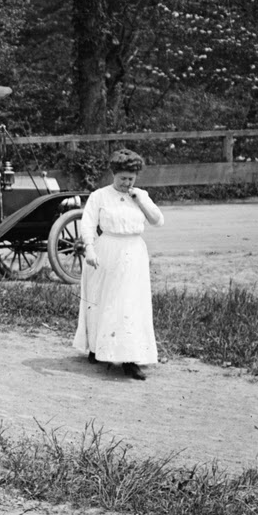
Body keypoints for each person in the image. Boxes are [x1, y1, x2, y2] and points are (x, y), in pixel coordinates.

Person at [74, 148, 163, 380]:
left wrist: (140, 201)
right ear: (113, 174)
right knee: (104, 301)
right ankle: (97, 347)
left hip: (133, 252)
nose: (126, 183)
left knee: (130, 304)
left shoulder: (141, 195)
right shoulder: (100, 196)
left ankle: (130, 359)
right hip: (107, 252)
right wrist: (90, 249)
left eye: (130, 179)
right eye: (122, 178)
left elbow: (157, 221)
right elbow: (88, 224)